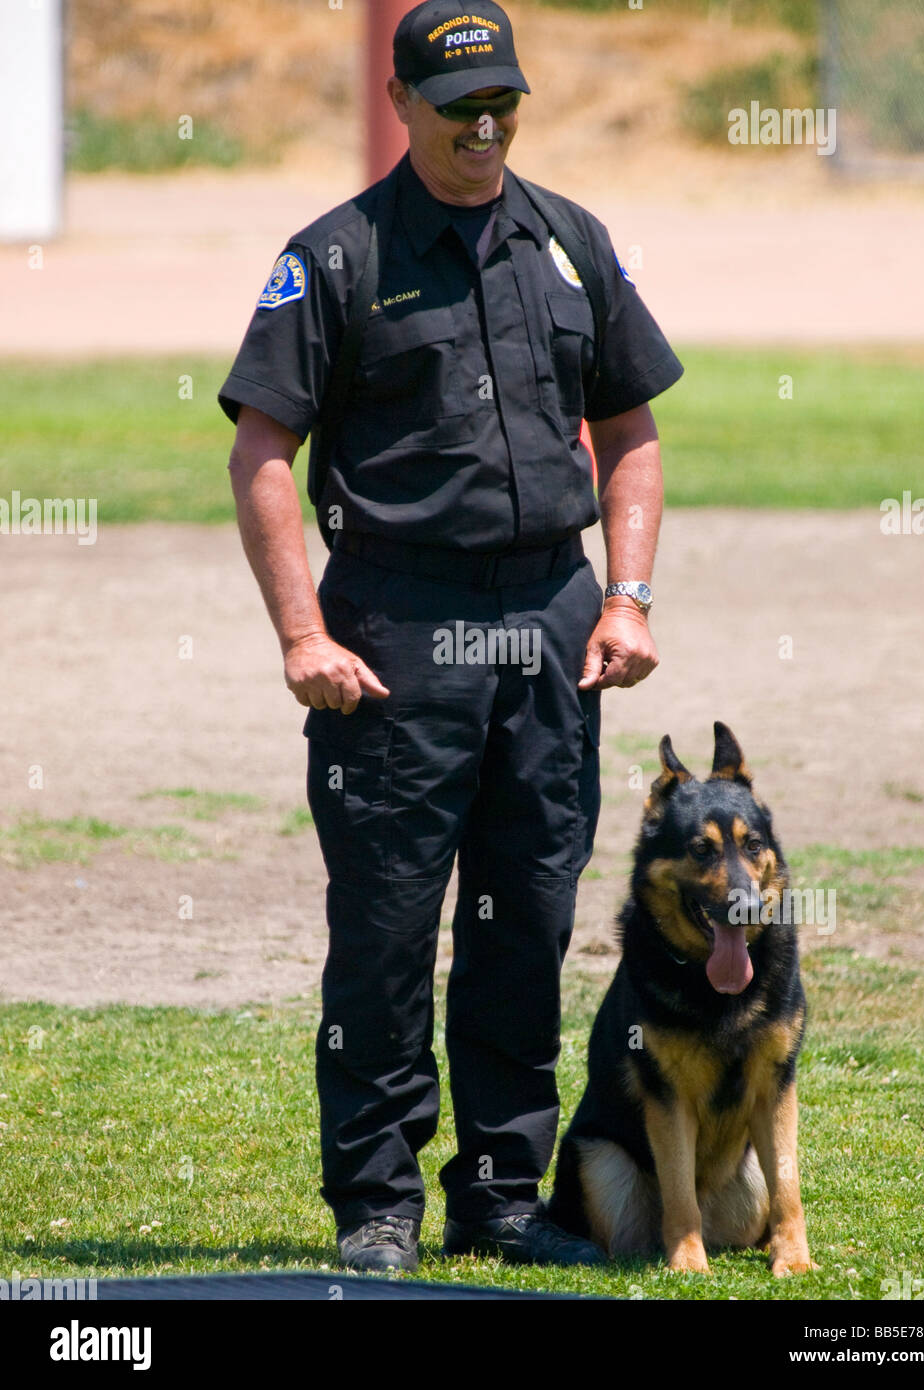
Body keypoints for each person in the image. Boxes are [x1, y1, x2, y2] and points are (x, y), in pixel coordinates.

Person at [219, 0, 683, 1274]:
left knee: (524, 918)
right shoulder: (337, 257)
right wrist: (300, 631)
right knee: (382, 928)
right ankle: (374, 1203)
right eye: (460, 106)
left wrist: (628, 595)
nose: (485, 129)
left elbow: (631, 430)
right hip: (396, 630)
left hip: (550, 617)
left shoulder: (571, 243)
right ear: (403, 103)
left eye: (504, 106)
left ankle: (494, 1195)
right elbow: (263, 447)